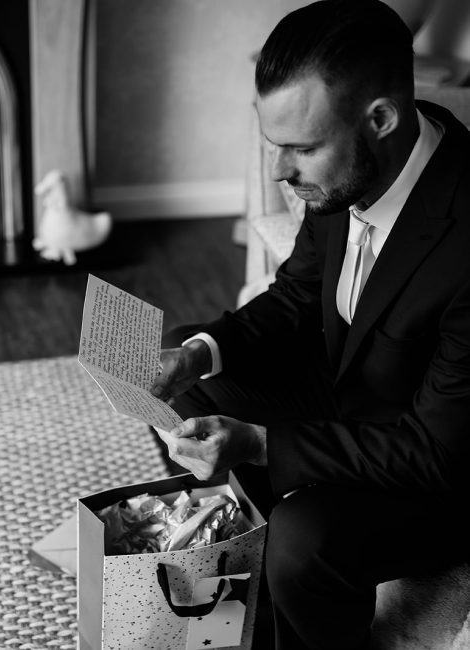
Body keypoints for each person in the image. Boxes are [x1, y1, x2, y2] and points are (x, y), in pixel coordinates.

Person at [149, 1, 470, 648]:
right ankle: (257, 574)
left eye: (301, 149)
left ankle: (297, 575)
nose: (279, 172)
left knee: (304, 538)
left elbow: (437, 453)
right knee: (187, 375)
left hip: (441, 465)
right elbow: (296, 296)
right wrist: (200, 351)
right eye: (277, 145)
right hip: (354, 389)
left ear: (381, 118)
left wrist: (263, 442)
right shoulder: (354, 169)